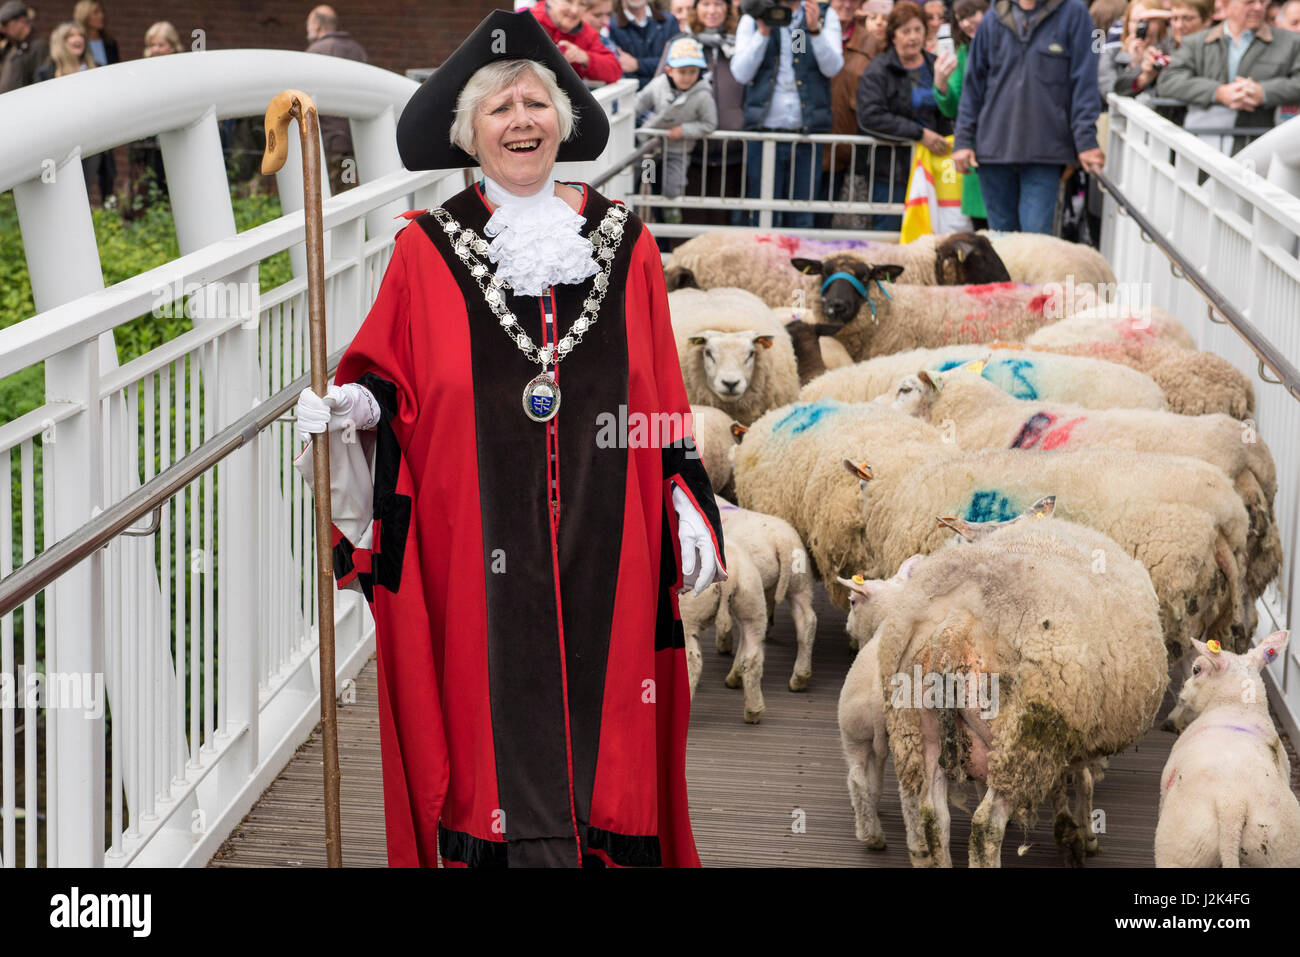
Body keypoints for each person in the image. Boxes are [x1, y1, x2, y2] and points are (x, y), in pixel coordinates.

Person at [292, 8, 725, 869]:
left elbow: (661, 394)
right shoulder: (425, 249)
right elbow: (392, 377)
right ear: (469, 133)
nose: (522, 120)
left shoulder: (626, 242)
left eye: (537, 102)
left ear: (563, 120)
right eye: (500, 108)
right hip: (475, 551)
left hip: (607, 534)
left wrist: (682, 498)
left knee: (612, 721)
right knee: (486, 724)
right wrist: (356, 414)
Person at [953, 0, 1104, 235]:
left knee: (1036, 245)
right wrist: (962, 141)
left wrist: (1086, 142)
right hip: (993, 151)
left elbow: (1085, 83)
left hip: (1045, 152)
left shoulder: (1074, 14)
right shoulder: (993, 17)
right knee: (1002, 247)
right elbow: (972, 87)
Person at [732, 0, 844, 229]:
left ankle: (799, 263)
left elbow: (833, 68)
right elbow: (740, 73)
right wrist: (763, 32)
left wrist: (814, 31)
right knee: (764, 213)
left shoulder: (824, 14)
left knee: (802, 215)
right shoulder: (753, 17)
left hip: (806, 135)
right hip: (764, 134)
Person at [856, 1, 950, 231]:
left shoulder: (934, 65)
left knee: (930, 234)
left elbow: (952, 112)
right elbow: (871, 115)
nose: (913, 37)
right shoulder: (879, 69)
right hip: (891, 171)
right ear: (893, 36)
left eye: (918, 30)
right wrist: (918, 134)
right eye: (906, 31)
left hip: (933, 166)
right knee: (889, 233)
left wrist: (945, 89)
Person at [1157, 0, 1300, 147]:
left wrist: (1263, 92)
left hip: (1261, 146)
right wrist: (1219, 92)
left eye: (1262, 2)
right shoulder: (1197, 42)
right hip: (1204, 146)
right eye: (1249, 2)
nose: (1258, 7)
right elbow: (1168, 80)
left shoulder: (1291, 42)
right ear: (1225, 5)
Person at [655, 0, 746, 226]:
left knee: (722, 219)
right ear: (696, 9)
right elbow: (661, 86)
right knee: (691, 218)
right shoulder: (681, 43)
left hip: (730, 147)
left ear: (727, 9)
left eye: (718, 4)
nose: (712, 11)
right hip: (689, 148)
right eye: (706, 4)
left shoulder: (740, 44)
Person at [830, 0, 890, 228]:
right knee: (808, 216)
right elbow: (794, 66)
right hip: (814, 142)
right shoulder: (802, 33)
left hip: (856, 144)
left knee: (854, 222)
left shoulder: (871, 41)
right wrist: (812, 30)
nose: (845, 4)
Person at [638, 35, 718, 202]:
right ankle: (647, 219)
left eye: (693, 72)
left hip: (678, 150)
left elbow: (709, 124)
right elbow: (639, 103)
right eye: (682, 72)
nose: (687, 77)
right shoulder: (658, 84)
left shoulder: (703, 95)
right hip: (651, 147)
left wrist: (683, 131)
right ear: (669, 70)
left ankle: (671, 215)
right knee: (648, 181)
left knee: (673, 188)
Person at [932, 0, 988, 226]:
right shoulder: (963, 52)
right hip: (976, 154)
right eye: (960, 17)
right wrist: (941, 82)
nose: (966, 23)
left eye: (971, 14)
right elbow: (951, 106)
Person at [305, 5, 369, 195]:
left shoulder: (316, 51)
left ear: (316, 25)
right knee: (347, 190)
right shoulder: (358, 51)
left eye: (308, 25)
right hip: (352, 140)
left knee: (325, 195)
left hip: (327, 140)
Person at [530, 0, 624, 84]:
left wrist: (583, 56)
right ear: (551, 1)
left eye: (582, 3)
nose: (575, 10)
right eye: (568, 1)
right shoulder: (528, 21)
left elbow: (614, 70)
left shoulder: (587, 33)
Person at [1099, 0, 1174, 104]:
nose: (1141, 26)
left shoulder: (1168, 50)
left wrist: (1168, 16)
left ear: (1160, 23)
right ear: (1127, 23)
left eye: (1149, 20)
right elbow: (1110, 91)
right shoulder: (1112, 52)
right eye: (1135, 20)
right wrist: (1133, 64)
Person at [609, 0, 680, 88]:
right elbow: (620, 70)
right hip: (629, 95)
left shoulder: (669, 21)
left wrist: (638, 64)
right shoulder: (610, 26)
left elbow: (676, 63)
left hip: (666, 93)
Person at [0, 1, 47, 93]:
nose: (3, 29)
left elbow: (42, 82)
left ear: (21, 21)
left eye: (5, 24)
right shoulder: (10, 47)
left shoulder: (38, 46)